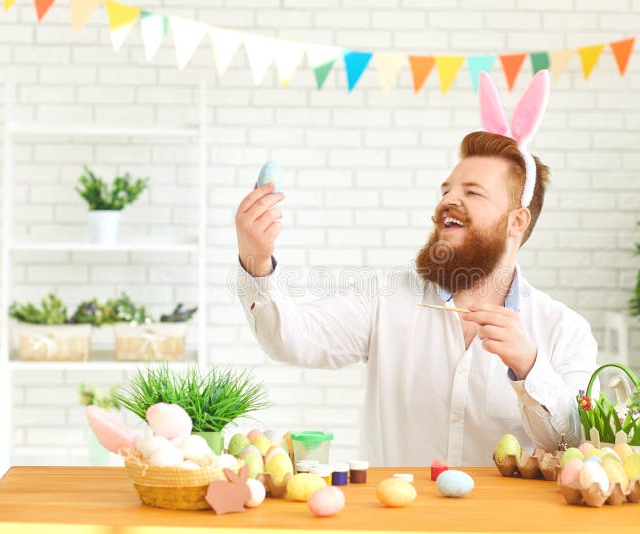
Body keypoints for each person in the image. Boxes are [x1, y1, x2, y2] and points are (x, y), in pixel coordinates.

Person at [233, 71, 597, 466]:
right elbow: (289, 340)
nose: (447, 202)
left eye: (472, 192)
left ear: (517, 222)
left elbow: (575, 444)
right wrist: (256, 259)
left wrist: (530, 366)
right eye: (446, 190)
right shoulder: (382, 299)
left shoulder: (564, 331)